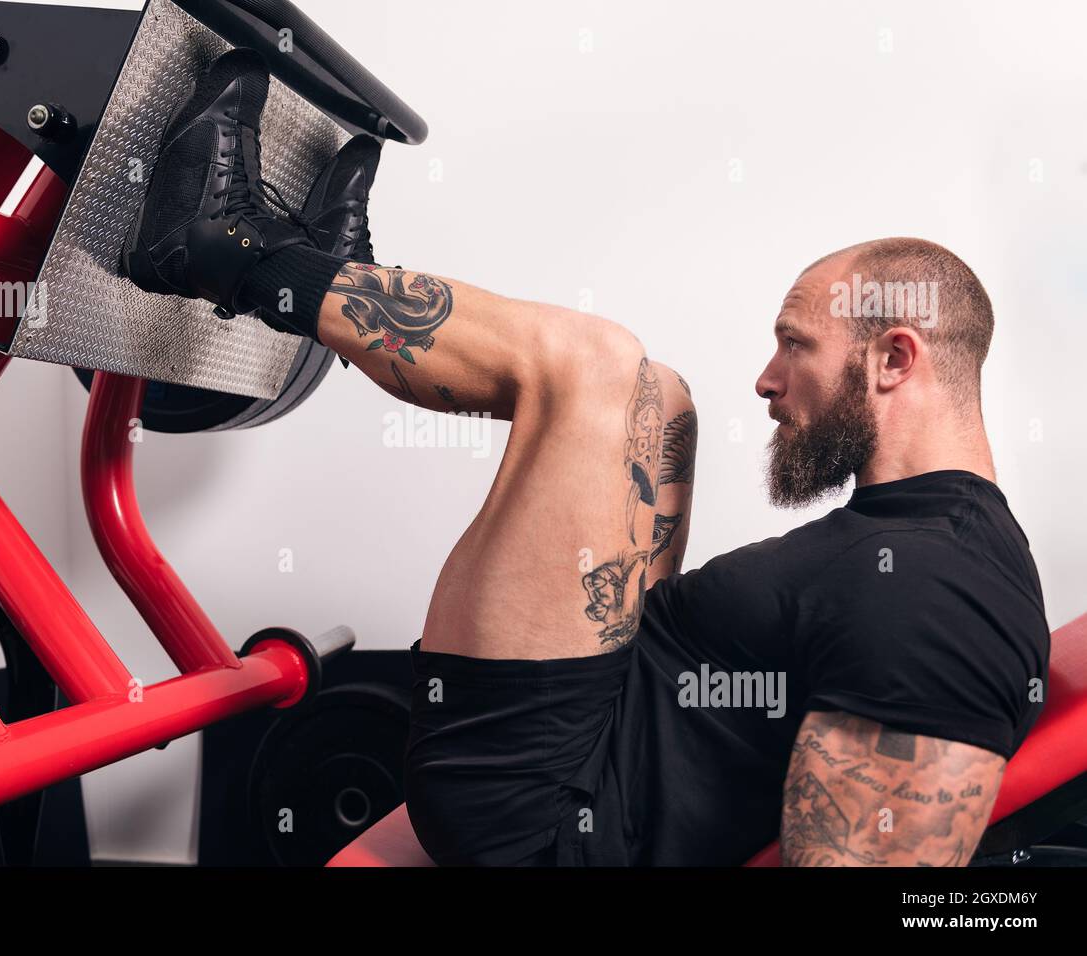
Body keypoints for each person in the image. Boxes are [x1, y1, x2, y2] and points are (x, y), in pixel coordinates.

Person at [123, 48, 1050, 866]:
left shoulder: (943, 597)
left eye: (795, 345)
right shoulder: (925, 539)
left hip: (544, 817)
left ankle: (232, 252)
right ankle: (336, 282)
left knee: (591, 365)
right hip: (590, 730)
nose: (768, 382)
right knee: (662, 401)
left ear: (895, 359)